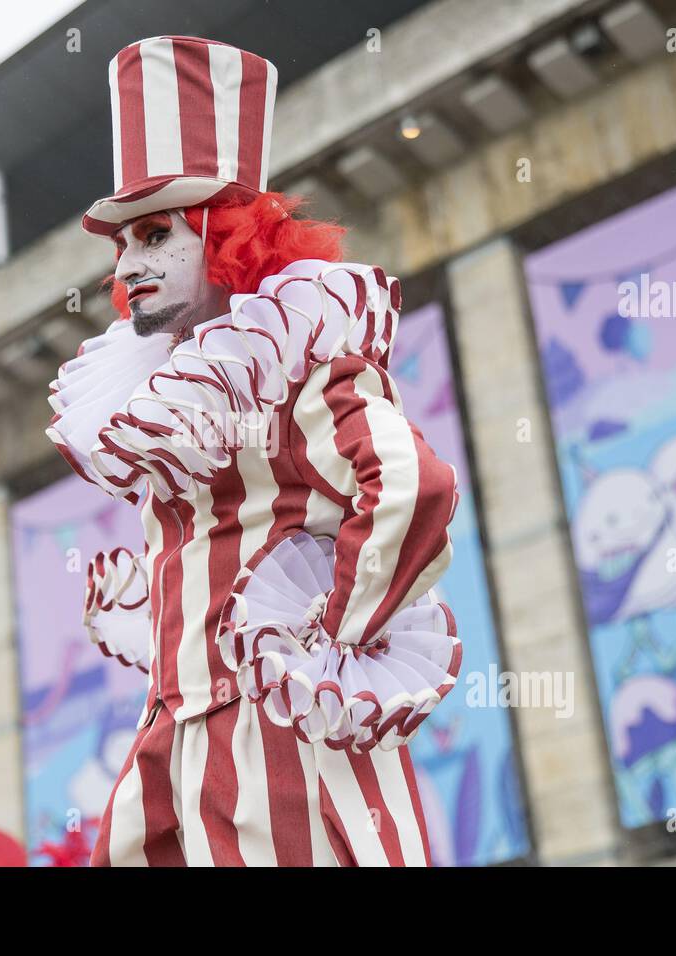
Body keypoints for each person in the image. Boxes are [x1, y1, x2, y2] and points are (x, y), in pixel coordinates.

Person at [48, 35, 462, 866]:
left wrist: (324, 636)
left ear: (227, 236)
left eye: (156, 234)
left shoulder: (300, 366)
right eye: (121, 244)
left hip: (281, 744)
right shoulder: (167, 398)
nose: (128, 264)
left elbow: (414, 486)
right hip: (173, 738)